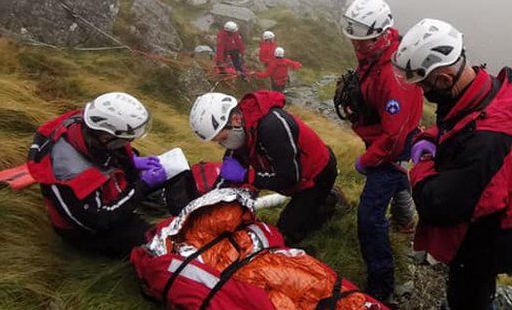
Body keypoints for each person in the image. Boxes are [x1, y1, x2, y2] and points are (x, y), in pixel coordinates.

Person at [393, 18, 512, 310]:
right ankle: (470, 306)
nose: (422, 93)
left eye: (424, 86)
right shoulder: (480, 89)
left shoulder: (485, 140)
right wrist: (428, 139)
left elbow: (438, 205)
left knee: (470, 285)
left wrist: (423, 163)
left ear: (444, 78)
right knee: (469, 282)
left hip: (504, 233)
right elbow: (451, 125)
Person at [336, 0, 423, 302]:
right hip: (387, 143)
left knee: (369, 217)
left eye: (364, 42)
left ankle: (381, 286)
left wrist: (367, 160)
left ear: (384, 34)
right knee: (400, 181)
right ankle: (405, 220)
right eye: (354, 42)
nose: (358, 47)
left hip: (389, 150)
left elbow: (395, 137)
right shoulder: (377, 53)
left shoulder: (392, 74)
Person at [26, 92, 167, 257]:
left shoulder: (85, 123)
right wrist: (141, 187)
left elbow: (109, 151)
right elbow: (99, 220)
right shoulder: (72, 174)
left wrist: (132, 161)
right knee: (155, 241)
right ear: (106, 137)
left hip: (100, 194)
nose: (128, 143)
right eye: (125, 140)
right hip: (87, 232)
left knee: (166, 181)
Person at [189, 90, 338, 244]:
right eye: (219, 142)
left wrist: (247, 176)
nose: (224, 145)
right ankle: (317, 201)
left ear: (234, 119)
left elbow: (289, 178)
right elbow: (225, 179)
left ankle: (329, 199)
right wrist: (204, 208)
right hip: (294, 178)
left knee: (286, 233)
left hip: (317, 175)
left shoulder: (273, 127)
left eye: (224, 139)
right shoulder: (241, 130)